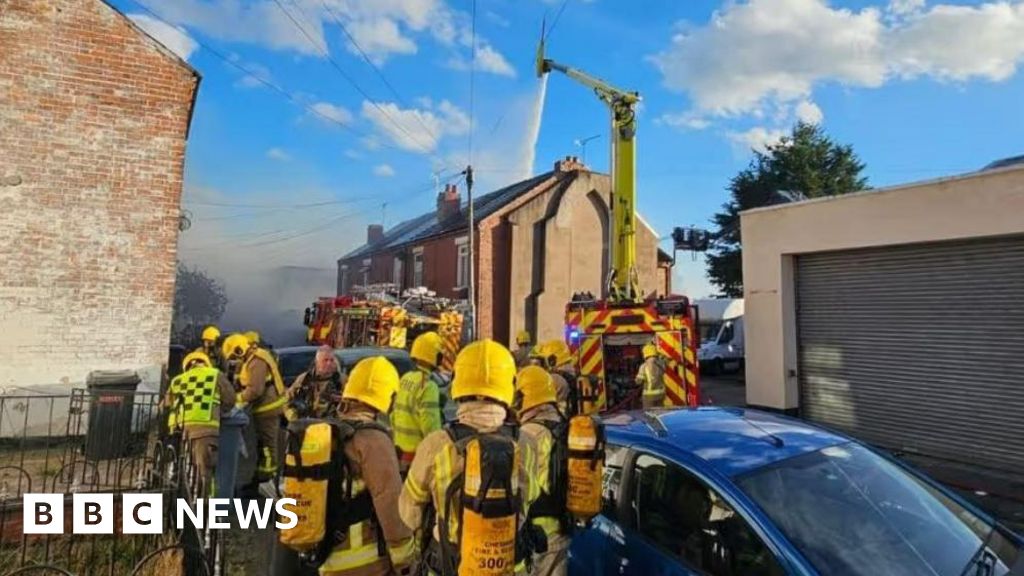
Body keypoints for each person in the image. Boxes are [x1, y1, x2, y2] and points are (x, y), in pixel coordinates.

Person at [399, 339, 538, 576]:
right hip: (509, 566)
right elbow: (531, 495)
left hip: (449, 565)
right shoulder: (526, 442)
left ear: (457, 384)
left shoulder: (436, 444)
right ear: (508, 386)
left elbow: (409, 512)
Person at [318, 357, 417, 576]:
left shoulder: (326, 429)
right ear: (386, 397)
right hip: (364, 563)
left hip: (325, 559)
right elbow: (390, 503)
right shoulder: (373, 440)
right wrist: (406, 562)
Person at [515, 366, 570, 576]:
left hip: (538, 535)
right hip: (564, 530)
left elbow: (520, 490)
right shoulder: (566, 426)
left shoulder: (528, 434)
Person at [165, 351, 236, 497]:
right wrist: (219, 410)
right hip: (206, 430)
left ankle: (187, 504)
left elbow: (167, 405)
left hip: (182, 431)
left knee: (187, 471)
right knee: (205, 471)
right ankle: (204, 508)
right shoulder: (214, 374)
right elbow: (230, 399)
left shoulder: (177, 380)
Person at [223, 333, 287, 487]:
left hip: (268, 408)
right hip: (263, 408)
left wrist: (237, 399)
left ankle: (268, 480)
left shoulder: (257, 361)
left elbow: (255, 390)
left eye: (235, 355)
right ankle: (259, 480)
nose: (236, 359)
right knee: (262, 445)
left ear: (240, 349)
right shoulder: (251, 360)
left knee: (268, 446)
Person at [391, 332, 444, 473]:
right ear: (433, 355)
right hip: (418, 458)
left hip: (400, 454)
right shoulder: (427, 385)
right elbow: (430, 425)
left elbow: (393, 416)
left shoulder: (405, 379)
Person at [285, 345, 344, 421]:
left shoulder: (342, 380)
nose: (329, 363)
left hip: (333, 426)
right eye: (325, 360)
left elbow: (353, 406)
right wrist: (292, 416)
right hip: (308, 425)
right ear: (317, 362)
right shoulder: (304, 379)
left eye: (331, 360)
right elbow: (286, 400)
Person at [636, 343, 666, 409]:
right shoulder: (661, 364)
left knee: (649, 414)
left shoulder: (644, 366)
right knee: (660, 413)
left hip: (649, 396)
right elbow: (665, 359)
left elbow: (639, 381)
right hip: (661, 394)